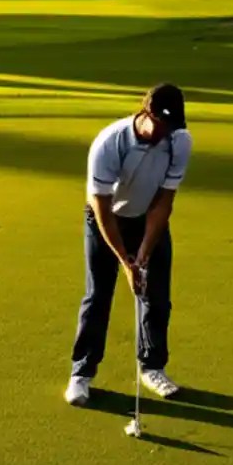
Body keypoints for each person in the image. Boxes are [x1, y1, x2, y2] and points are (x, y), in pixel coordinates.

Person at [66, 83, 193, 406]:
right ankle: (81, 373)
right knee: (98, 296)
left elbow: (164, 202)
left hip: (149, 218)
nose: (166, 132)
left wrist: (146, 251)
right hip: (106, 219)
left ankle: (152, 367)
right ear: (146, 113)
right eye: (161, 124)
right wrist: (126, 261)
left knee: (157, 297)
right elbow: (102, 208)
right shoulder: (110, 143)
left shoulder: (179, 142)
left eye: (172, 126)